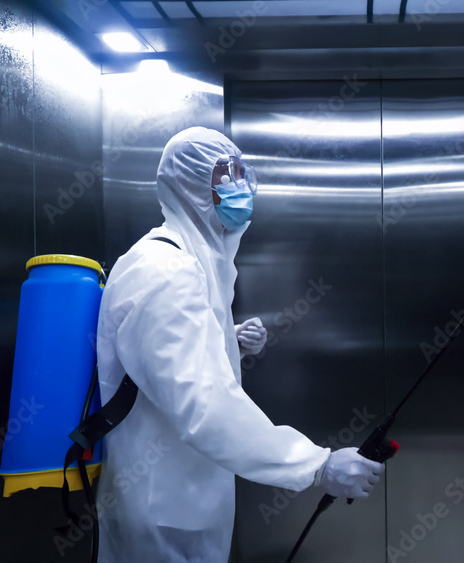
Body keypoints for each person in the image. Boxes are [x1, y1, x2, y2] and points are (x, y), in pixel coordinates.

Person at [94, 127, 384, 562]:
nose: (241, 187)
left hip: (185, 495)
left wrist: (223, 338)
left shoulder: (185, 262)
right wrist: (316, 465)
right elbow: (204, 403)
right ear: (190, 185)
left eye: (241, 173)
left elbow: (165, 358)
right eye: (225, 175)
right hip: (162, 506)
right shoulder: (165, 268)